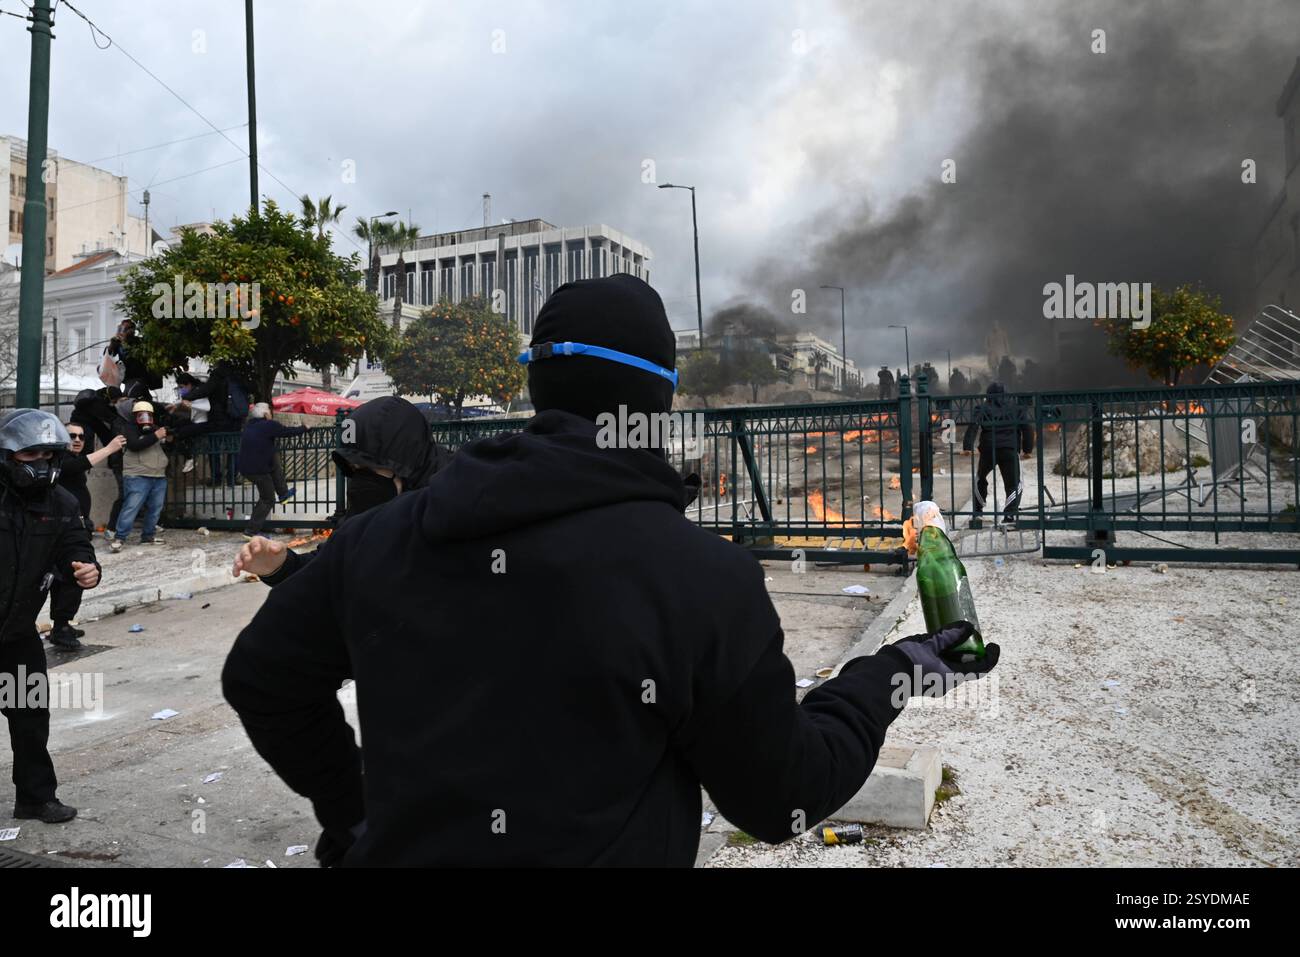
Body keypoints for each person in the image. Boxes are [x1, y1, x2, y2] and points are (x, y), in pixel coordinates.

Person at [222, 274, 999, 867]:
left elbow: (263, 676)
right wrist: (897, 670)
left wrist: (355, 809)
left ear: (536, 382)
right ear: (657, 399)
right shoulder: (701, 579)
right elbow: (782, 795)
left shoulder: (382, 539)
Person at [0, 409, 101, 824]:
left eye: (47, 454)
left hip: (17, 633)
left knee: (30, 718)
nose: (40, 463)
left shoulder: (63, 503)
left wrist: (86, 568)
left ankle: (36, 799)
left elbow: (76, 546)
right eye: (29, 455)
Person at [231, 395, 450, 584]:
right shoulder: (375, 507)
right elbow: (332, 560)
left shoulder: (457, 508)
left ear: (404, 462)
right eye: (354, 468)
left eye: (368, 467)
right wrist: (281, 566)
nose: (360, 481)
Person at [47, 424, 125, 650]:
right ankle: (60, 628)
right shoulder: (59, 461)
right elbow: (79, 464)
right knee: (69, 575)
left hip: (77, 527)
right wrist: (109, 449)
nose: (78, 440)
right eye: (72, 436)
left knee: (77, 575)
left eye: (82, 436)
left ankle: (62, 624)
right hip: (62, 529)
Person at [961, 381, 1035, 528]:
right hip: (1009, 449)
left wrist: (967, 447)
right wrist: (1027, 450)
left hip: (988, 448)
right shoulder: (1016, 408)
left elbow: (973, 426)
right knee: (1014, 483)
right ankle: (1010, 514)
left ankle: (977, 513)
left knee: (980, 479)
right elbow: (1027, 429)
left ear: (988, 395)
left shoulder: (982, 408)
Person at [108, 399, 169, 552]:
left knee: (155, 507)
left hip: (158, 474)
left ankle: (148, 536)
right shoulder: (129, 428)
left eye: (148, 415)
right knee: (131, 506)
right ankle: (120, 537)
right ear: (134, 416)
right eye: (141, 415)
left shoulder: (155, 429)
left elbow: (166, 445)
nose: (145, 418)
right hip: (137, 475)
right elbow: (134, 445)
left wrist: (169, 438)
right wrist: (156, 435)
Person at [237, 403, 305, 540]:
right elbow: (287, 432)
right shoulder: (269, 425)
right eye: (269, 410)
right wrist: (305, 428)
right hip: (258, 469)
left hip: (247, 467)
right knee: (268, 498)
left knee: (273, 458)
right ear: (265, 414)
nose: (271, 412)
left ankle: (283, 494)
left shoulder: (249, 426)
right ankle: (250, 531)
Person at [72, 387, 126, 538]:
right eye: (115, 401)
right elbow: (110, 419)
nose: (115, 405)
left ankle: (85, 527)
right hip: (84, 432)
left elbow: (102, 430)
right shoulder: (97, 405)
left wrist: (112, 444)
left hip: (85, 429)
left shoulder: (93, 408)